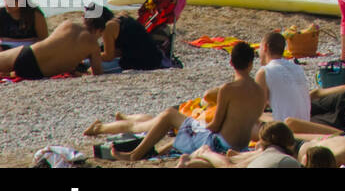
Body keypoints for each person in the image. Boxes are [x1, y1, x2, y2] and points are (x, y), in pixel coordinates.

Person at [93, 43, 265, 159]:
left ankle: (134, 155)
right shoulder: (259, 92)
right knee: (177, 137)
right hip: (239, 146)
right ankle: (152, 154)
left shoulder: (228, 89)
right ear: (251, 64)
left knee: (169, 115)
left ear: (231, 63)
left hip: (219, 144)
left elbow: (215, 126)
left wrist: (197, 122)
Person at [0, 7, 107, 78]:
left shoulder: (68, 25)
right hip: (38, 74)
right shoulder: (94, 46)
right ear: (100, 30)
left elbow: (53, 46)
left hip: (28, 55)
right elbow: (98, 74)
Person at [255, 32, 311, 122]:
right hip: (306, 124)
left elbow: (256, 111)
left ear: (265, 47)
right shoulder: (297, 68)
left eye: (260, 48)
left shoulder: (264, 72)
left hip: (286, 130)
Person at [100, 6, 163, 71]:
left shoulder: (108, 27)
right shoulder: (122, 18)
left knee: (92, 64)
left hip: (141, 64)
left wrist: (91, 54)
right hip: (155, 58)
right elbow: (119, 51)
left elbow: (108, 56)